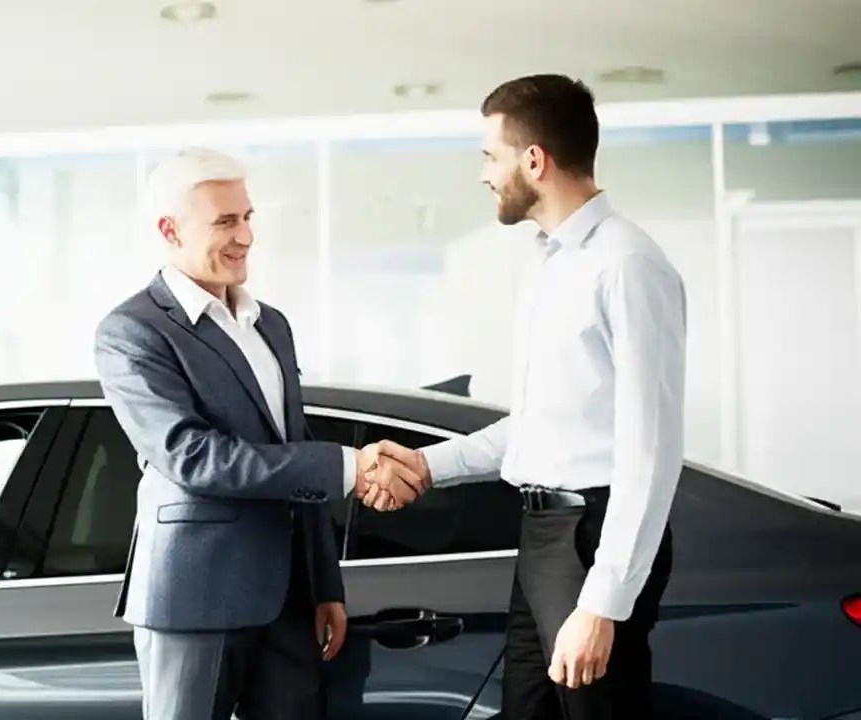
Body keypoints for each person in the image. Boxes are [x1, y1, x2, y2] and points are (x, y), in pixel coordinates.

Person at [363, 74, 687, 719]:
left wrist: (603, 603)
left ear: (533, 159)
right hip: (541, 536)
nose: (484, 173)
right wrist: (429, 466)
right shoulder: (553, 262)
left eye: (491, 155)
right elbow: (539, 425)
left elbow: (652, 450)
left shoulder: (626, 264)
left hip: (589, 541)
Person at [93, 147, 423, 720]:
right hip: (194, 595)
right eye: (225, 222)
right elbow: (191, 456)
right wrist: (349, 466)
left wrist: (325, 583)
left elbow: (291, 439)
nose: (245, 236)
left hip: (289, 599)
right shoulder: (131, 331)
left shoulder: (271, 324)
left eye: (247, 218)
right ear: (169, 230)